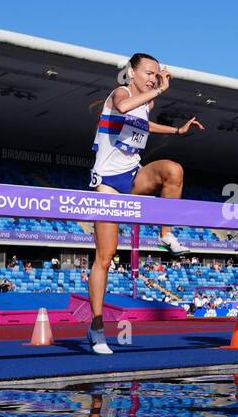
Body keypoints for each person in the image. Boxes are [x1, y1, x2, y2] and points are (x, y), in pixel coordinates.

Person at [85, 53, 205, 355]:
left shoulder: (147, 104)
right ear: (132, 73)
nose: (153, 78)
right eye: (148, 73)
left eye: (156, 74)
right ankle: (97, 326)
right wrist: (161, 90)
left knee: (173, 170)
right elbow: (124, 108)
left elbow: (144, 126)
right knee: (106, 256)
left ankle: (165, 233)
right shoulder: (121, 93)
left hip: (133, 176)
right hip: (108, 184)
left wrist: (177, 131)